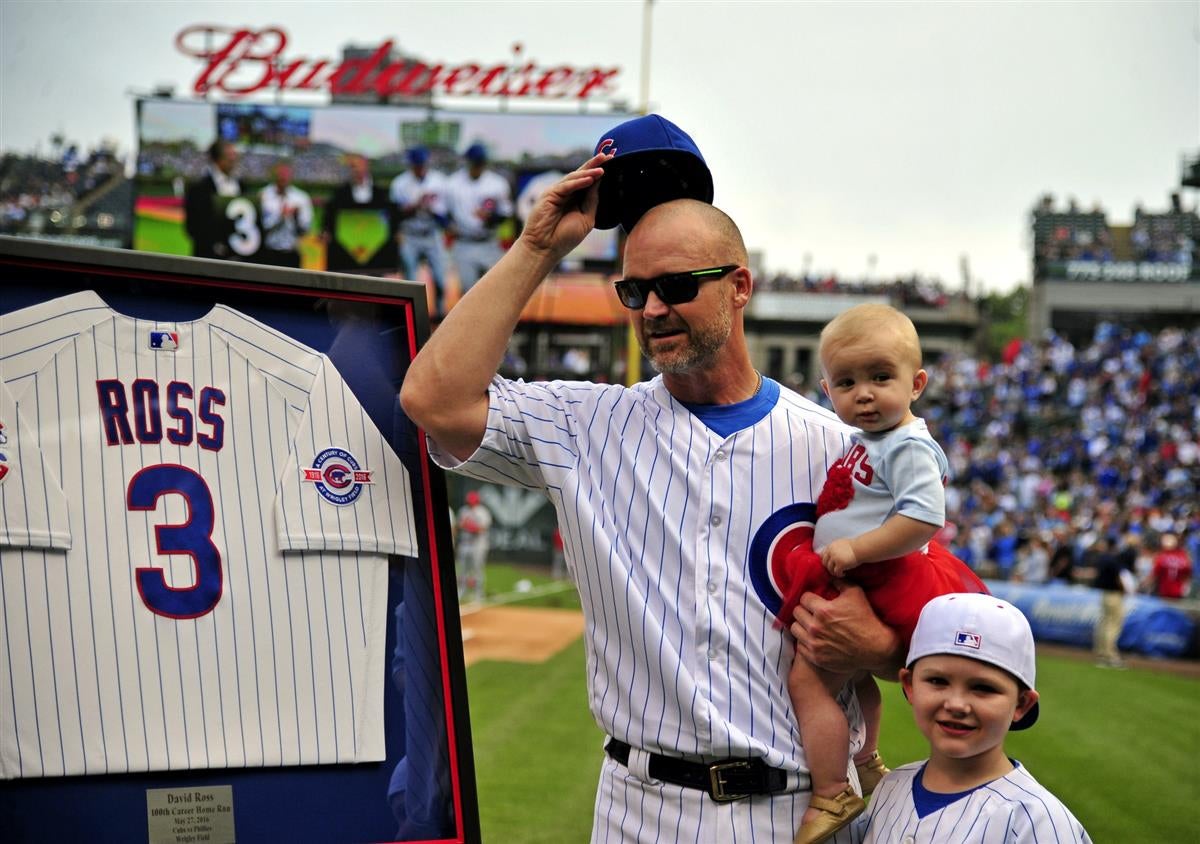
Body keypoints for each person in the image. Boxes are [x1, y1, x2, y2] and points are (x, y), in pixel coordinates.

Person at [400, 153, 905, 841]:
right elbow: (433, 398)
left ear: (739, 286)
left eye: (674, 285)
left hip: (799, 813)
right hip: (640, 809)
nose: (655, 309)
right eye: (635, 292)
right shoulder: (586, 423)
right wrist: (537, 248)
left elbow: (923, 627)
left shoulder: (838, 446)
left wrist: (877, 644)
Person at [777, 303, 987, 844]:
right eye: (847, 382)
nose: (864, 393)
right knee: (855, 677)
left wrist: (857, 549)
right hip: (865, 571)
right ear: (827, 389)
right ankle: (867, 759)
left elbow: (924, 517)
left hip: (883, 574)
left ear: (916, 383)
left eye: (880, 377)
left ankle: (831, 790)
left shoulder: (909, 443)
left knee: (808, 679)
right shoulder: (867, 441)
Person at [854, 593, 1092, 843]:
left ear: (1021, 703)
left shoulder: (1037, 821)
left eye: (983, 688)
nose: (956, 704)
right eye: (938, 681)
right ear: (910, 685)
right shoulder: (890, 786)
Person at [444, 142, 513, 294]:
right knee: (468, 294)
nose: (477, 166)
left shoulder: (497, 183)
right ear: (467, 161)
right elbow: (443, 212)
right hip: (464, 243)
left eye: (480, 162)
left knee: (493, 292)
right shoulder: (452, 183)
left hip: (489, 243)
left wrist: (491, 218)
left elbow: (506, 214)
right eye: (475, 162)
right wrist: (448, 225)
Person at [390, 146, 450, 315]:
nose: (420, 167)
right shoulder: (400, 183)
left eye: (422, 164)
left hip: (432, 234)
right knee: (410, 283)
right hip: (410, 235)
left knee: (440, 280)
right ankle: (412, 317)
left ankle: (440, 315)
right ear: (411, 164)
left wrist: (432, 210)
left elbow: (445, 216)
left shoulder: (439, 181)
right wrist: (414, 207)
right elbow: (395, 214)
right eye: (417, 164)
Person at [322, 153, 396, 273]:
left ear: (366, 167)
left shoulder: (379, 193)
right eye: (352, 167)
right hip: (347, 253)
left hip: (375, 252)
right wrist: (326, 231)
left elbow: (390, 217)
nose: (356, 170)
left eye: (358, 166)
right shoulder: (341, 193)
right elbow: (330, 215)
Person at [184, 139, 241, 259]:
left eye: (235, 155)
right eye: (230, 155)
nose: (234, 159)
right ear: (218, 159)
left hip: (235, 258)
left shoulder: (241, 186)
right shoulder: (199, 188)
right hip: (207, 257)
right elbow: (192, 227)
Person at [1089, 534, 1135, 668]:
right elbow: (1118, 577)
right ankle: (1110, 655)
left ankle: (1101, 653)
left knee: (1104, 623)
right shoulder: (1112, 559)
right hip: (1114, 594)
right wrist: (1125, 589)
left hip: (1104, 594)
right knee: (1113, 624)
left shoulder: (1102, 558)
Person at [258, 161, 313, 268]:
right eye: (280, 174)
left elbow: (305, 231)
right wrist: (280, 216)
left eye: (286, 174)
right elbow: (260, 228)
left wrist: (296, 217)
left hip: (291, 253)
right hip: (269, 253)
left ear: (291, 176)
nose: (283, 177)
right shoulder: (263, 195)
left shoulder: (301, 198)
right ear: (273, 175)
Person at [456, 489, 492, 603]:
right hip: (465, 543)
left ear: (477, 501)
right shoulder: (463, 510)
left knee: (477, 570)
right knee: (463, 570)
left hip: (478, 544)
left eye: (473, 501)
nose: (471, 503)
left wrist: (470, 526)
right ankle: (461, 592)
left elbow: (482, 528)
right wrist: (464, 525)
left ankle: (478, 594)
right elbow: (459, 526)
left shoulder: (483, 512)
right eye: (469, 501)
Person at [1145, 533, 1192, 599]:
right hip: (1168, 591)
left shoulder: (1162, 556)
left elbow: (1153, 575)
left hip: (1170, 592)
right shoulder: (1183, 555)